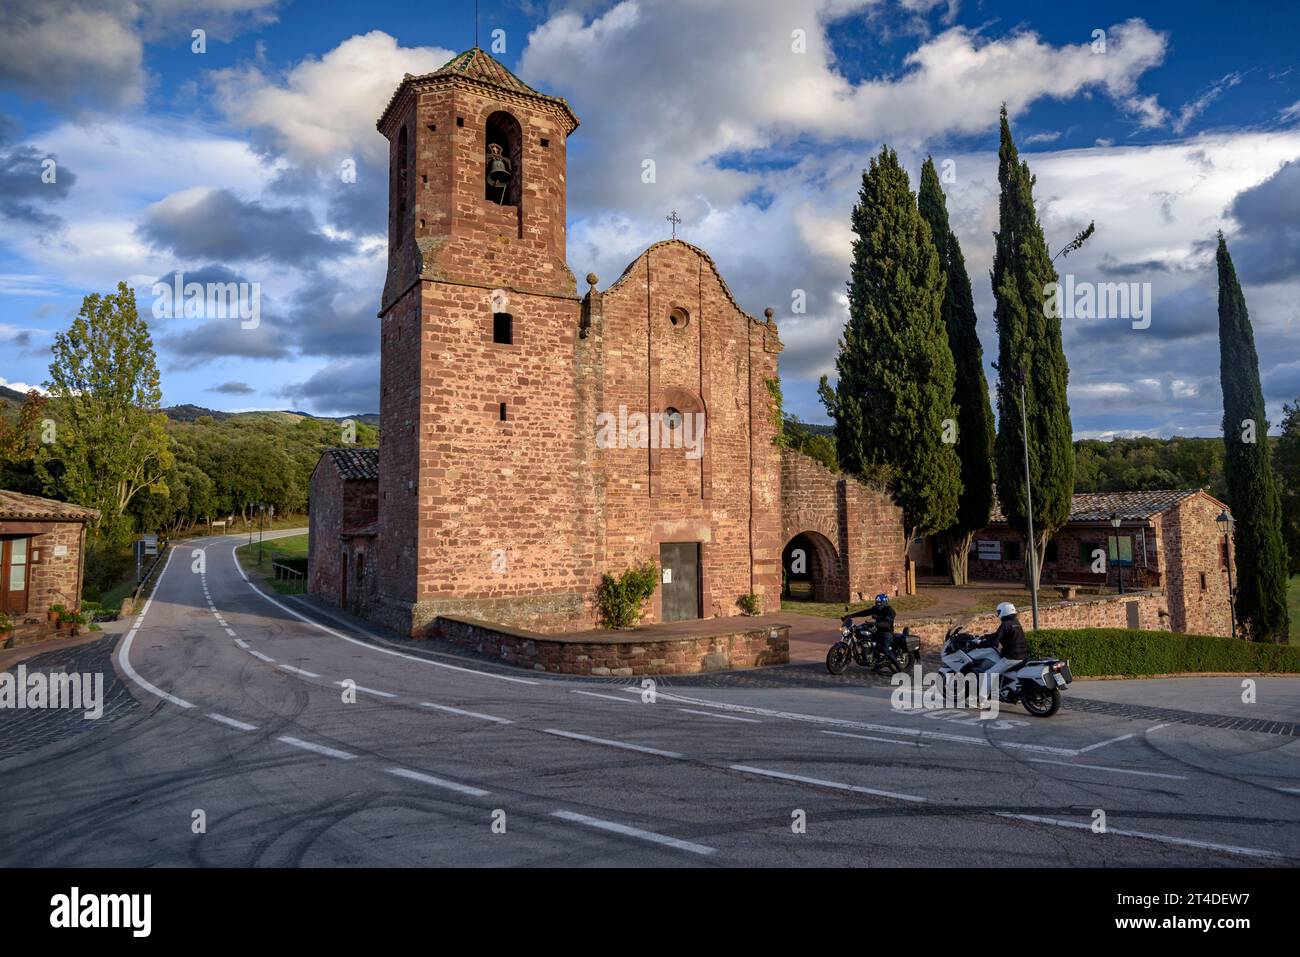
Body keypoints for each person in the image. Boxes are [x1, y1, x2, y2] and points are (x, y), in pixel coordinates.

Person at [979, 601, 1028, 694]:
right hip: (1022, 656)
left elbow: (995, 641)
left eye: (999, 612)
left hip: (1011, 658)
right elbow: (1001, 635)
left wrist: (979, 644)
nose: (998, 614)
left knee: (989, 674)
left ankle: (981, 700)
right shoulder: (1016, 623)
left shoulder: (1005, 624)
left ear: (1004, 611)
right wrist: (985, 636)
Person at [844, 593, 896, 665]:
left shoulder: (889, 611)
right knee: (869, 642)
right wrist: (850, 616)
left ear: (885, 603)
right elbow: (864, 612)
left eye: (880, 603)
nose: (878, 604)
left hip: (886, 633)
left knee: (884, 649)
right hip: (877, 631)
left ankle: (898, 665)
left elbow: (887, 624)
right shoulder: (875, 608)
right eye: (877, 602)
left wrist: (875, 624)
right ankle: (873, 661)